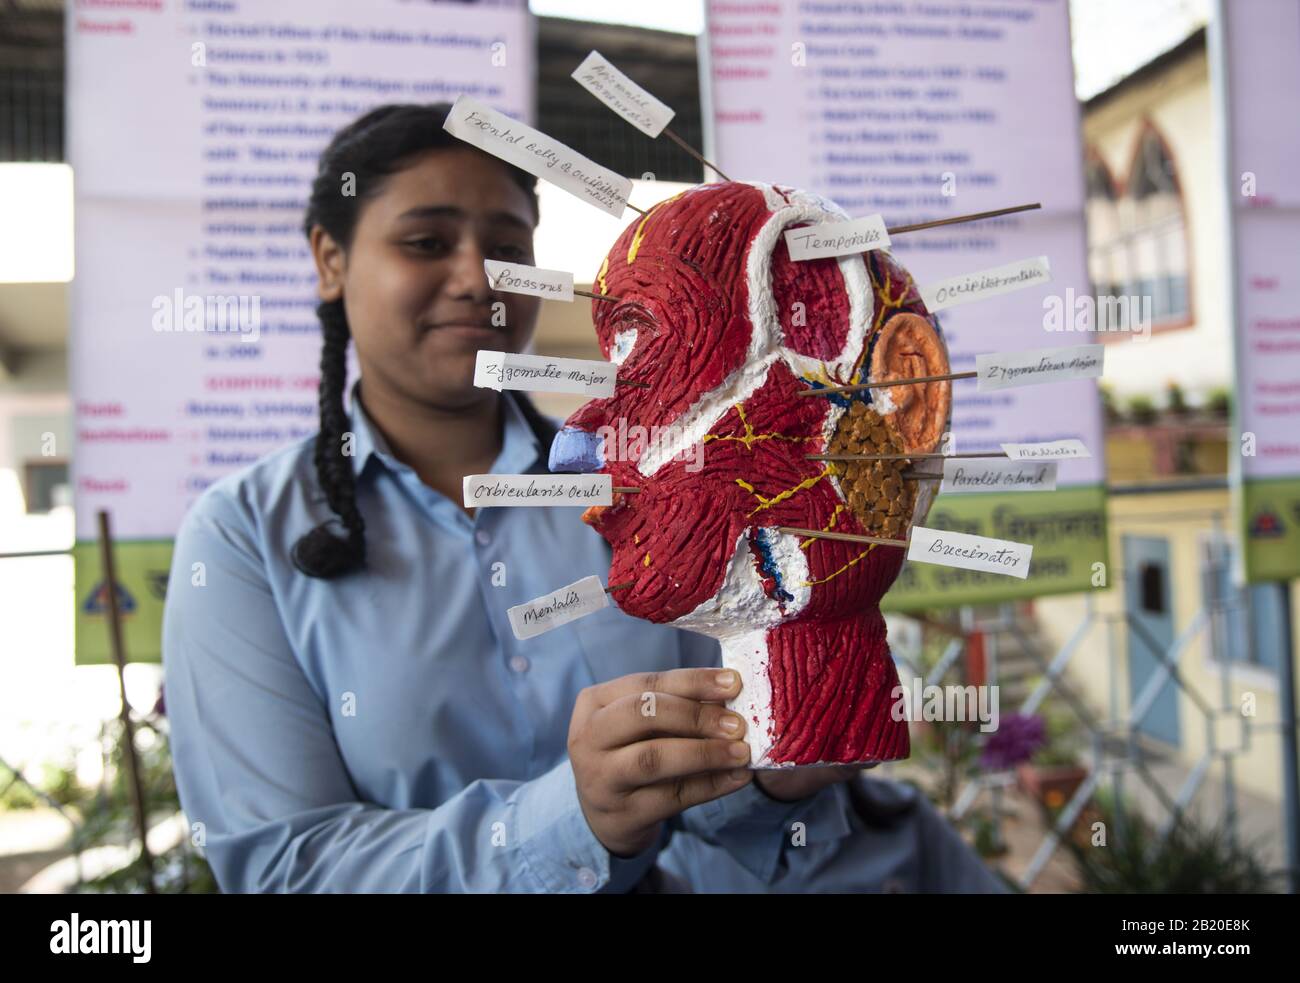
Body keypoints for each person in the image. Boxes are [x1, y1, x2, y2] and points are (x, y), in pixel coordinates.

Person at [161, 102, 1006, 893]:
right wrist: (573, 818)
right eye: (424, 242)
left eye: (507, 247)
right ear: (330, 259)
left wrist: (773, 782)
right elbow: (282, 863)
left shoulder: (655, 481)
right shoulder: (243, 537)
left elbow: (732, 830)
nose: (475, 278)